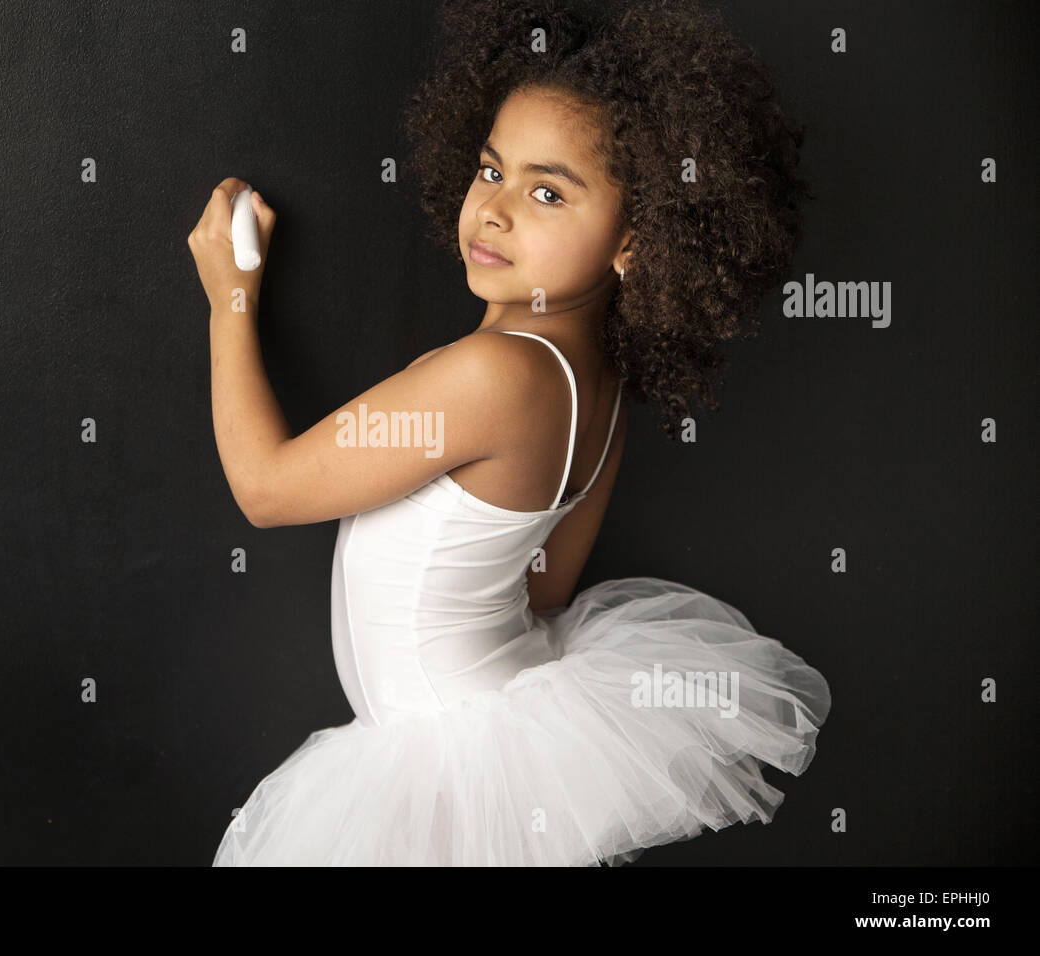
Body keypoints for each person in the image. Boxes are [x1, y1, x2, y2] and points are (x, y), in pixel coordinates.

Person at [188, 0, 830, 865]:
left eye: (547, 192)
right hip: (507, 724)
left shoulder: (496, 375)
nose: (492, 211)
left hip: (441, 760)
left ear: (635, 241)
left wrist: (232, 293)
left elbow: (266, 489)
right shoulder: (595, 387)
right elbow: (547, 590)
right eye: (491, 170)